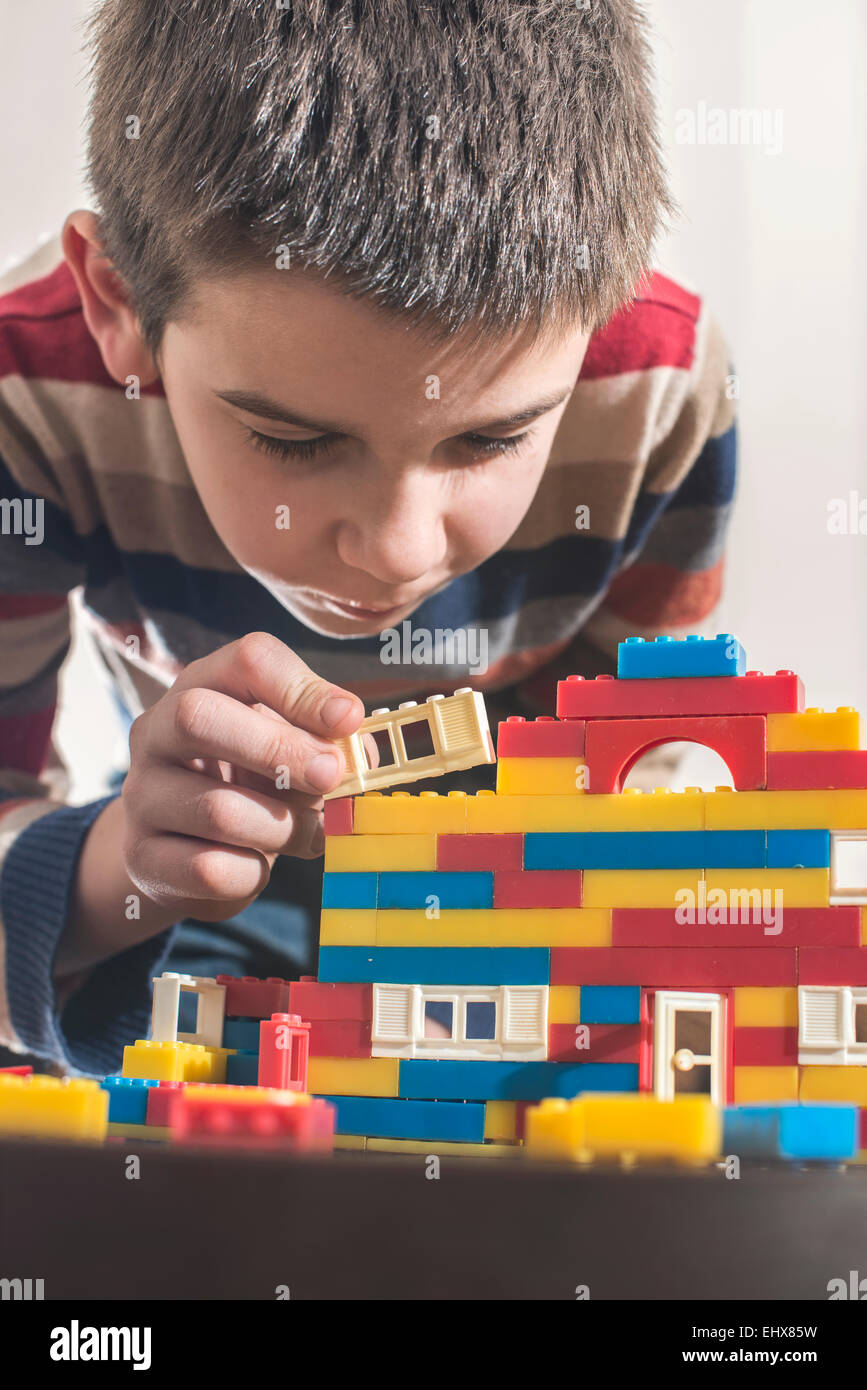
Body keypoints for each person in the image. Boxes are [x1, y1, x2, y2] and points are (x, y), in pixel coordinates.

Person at [0, 0, 736, 1075]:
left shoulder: (657, 390)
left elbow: (642, 740)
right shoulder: (32, 398)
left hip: (513, 901)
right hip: (191, 883)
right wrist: (116, 862)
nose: (395, 552)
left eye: (490, 437)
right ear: (117, 304)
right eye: (291, 442)